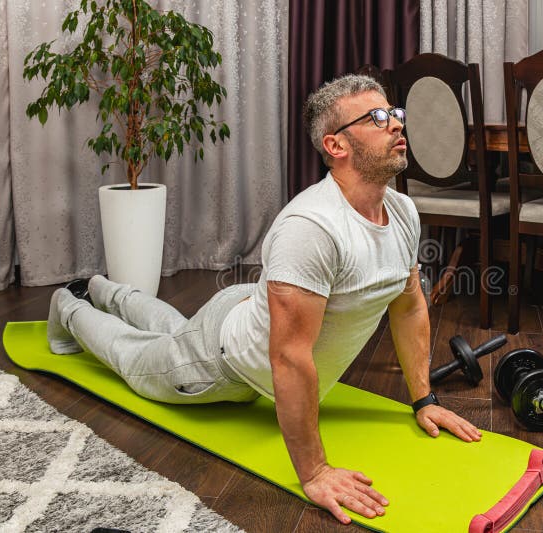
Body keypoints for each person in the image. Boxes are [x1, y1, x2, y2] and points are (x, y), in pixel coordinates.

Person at [47, 74, 481, 525]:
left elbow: (408, 305)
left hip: (258, 307)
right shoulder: (312, 227)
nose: (395, 124)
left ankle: (102, 288)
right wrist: (314, 472)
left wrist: (424, 399)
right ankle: (71, 307)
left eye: (394, 113)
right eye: (376, 117)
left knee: (173, 331)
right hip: (221, 361)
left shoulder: (403, 211)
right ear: (336, 146)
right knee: (133, 358)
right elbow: (290, 357)